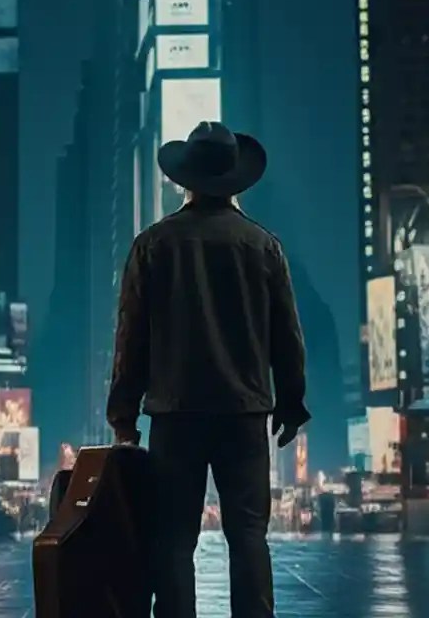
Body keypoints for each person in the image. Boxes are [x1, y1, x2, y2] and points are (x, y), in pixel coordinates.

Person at [108, 121, 309, 618]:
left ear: (185, 179)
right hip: (244, 414)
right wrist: (291, 401)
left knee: (173, 540)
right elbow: (287, 333)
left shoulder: (153, 244)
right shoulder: (263, 245)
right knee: (248, 537)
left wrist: (123, 413)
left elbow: (132, 335)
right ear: (234, 179)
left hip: (175, 415)